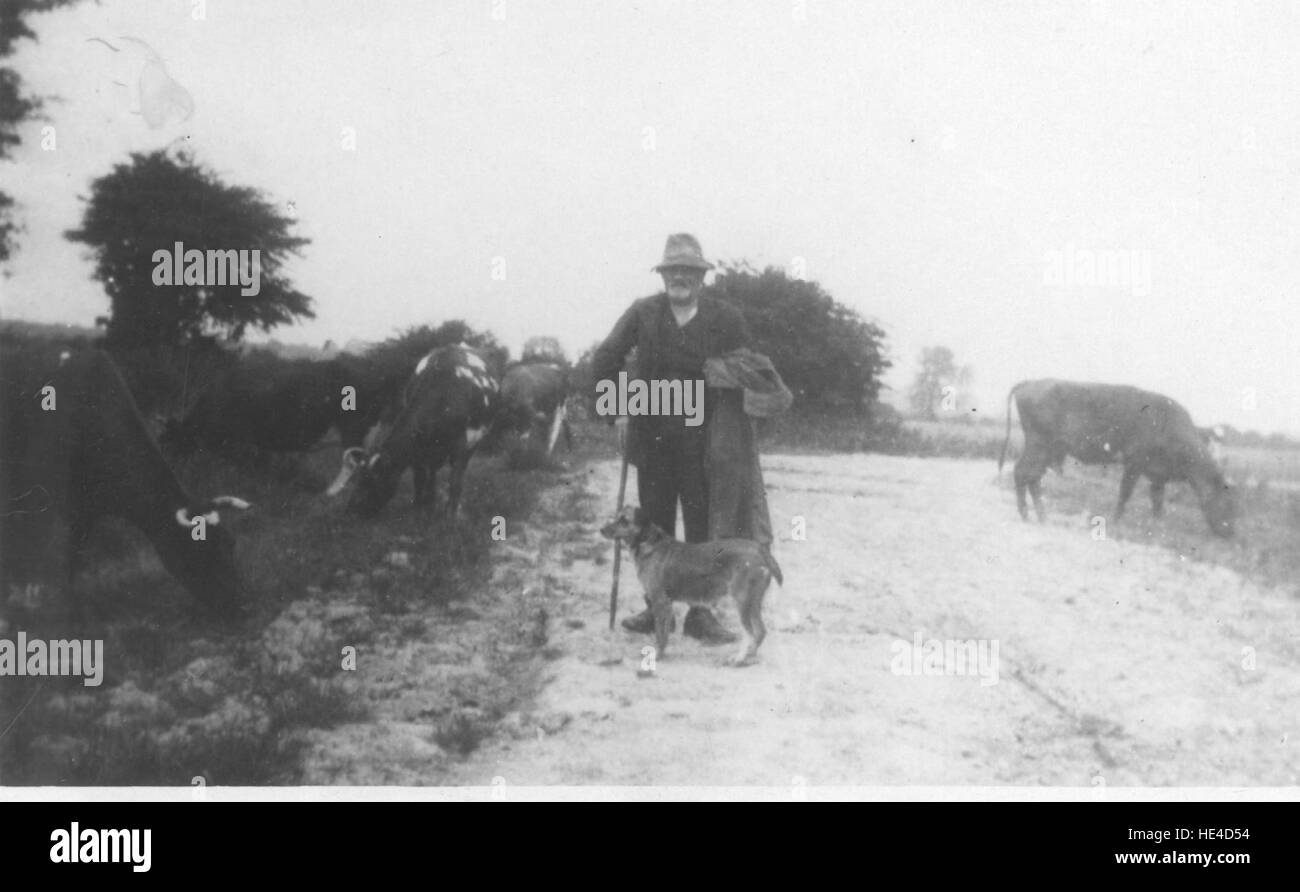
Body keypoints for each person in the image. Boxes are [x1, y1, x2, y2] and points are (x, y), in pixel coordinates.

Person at [591, 233, 754, 643]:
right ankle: (655, 608)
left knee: (703, 528)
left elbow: (749, 368)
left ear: (702, 277)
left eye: (689, 271)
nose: (680, 277)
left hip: (705, 440)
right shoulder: (643, 313)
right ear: (663, 276)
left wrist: (730, 395)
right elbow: (606, 358)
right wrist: (620, 408)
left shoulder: (725, 317)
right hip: (653, 437)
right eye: (672, 270)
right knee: (655, 523)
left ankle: (701, 615)